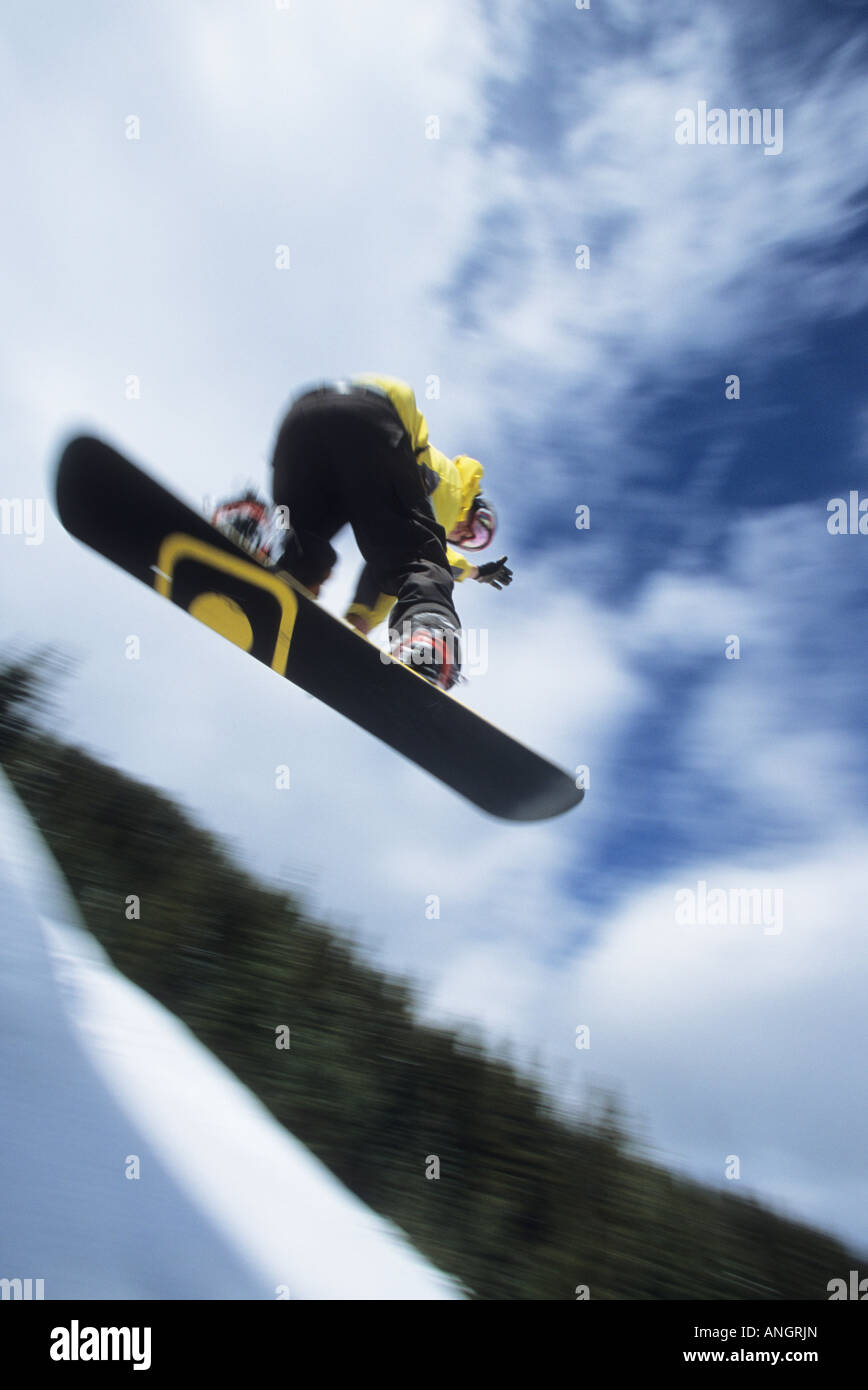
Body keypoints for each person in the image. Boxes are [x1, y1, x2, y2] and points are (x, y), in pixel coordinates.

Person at [213, 374, 512, 689]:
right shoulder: (452, 487)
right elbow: (408, 560)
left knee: (304, 547)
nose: (465, 535)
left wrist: (475, 572)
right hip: (371, 423)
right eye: (478, 526)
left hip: (303, 418)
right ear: (472, 502)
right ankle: (428, 640)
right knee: (420, 562)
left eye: (474, 541)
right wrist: (359, 628)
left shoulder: (432, 496)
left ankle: (251, 530)